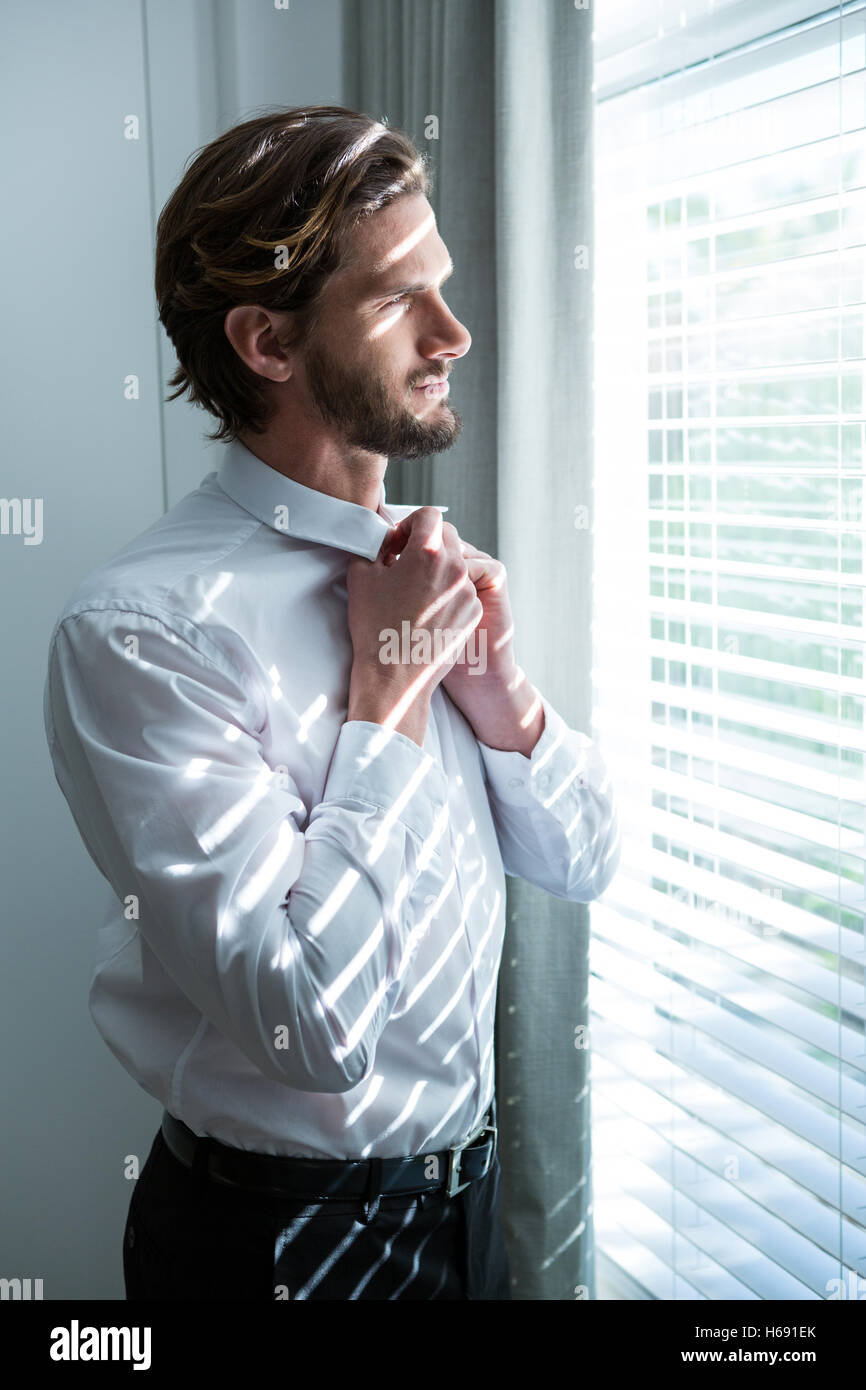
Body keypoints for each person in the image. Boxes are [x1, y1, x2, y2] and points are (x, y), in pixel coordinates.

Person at [43, 105, 620, 1301]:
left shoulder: (418, 571)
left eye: (443, 286)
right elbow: (312, 1026)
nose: (453, 333)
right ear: (266, 342)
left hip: (472, 1209)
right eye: (399, 297)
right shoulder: (145, 631)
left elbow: (584, 856)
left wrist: (492, 685)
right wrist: (391, 691)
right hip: (277, 1251)